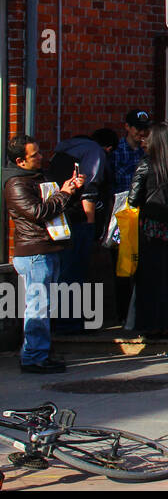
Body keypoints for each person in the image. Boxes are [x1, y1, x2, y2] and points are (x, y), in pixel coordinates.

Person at [4, 134, 82, 373]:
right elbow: (39, 212)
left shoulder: (39, 177)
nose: (40, 157)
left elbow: (58, 207)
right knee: (37, 305)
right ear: (20, 161)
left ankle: (40, 352)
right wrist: (65, 194)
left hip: (50, 248)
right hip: (34, 252)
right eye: (34, 154)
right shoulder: (16, 184)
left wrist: (73, 190)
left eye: (39, 151)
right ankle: (34, 357)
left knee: (45, 305)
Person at [48, 129, 116, 333]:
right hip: (78, 221)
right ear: (108, 148)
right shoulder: (94, 151)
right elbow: (90, 190)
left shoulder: (62, 152)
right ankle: (71, 323)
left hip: (60, 220)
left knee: (63, 272)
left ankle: (60, 321)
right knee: (76, 272)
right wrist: (90, 225)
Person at [127, 122, 168, 336]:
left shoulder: (146, 163)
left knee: (149, 278)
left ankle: (149, 324)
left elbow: (133, 198)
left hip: (150, 227)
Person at [112, 109, 150, 195]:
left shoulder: (148, 150)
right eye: (139, 128)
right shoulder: (117, 151)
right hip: (122, 203)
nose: (142, 132)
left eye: (145, 128)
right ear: (127, 126)